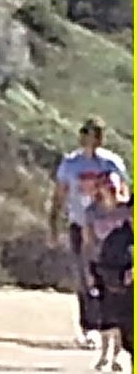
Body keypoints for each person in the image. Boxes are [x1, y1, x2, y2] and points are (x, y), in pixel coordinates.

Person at [49, 117, 130, 349]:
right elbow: (60, 195)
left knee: (111, 279)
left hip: (111, 229)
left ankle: (111, 329)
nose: (94, 140)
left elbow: (124, 192)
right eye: (91, 134)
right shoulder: (71, 164)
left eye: (98, 135)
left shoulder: (112, 163)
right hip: (80, 223)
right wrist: (54, 222)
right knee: (85, 277)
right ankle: (89, 327)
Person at [82, 172, 133, 374]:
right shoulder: (92, 213)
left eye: (113, 185)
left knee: (126, 319)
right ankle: (105, 354)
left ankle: (119, 356)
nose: (110, 189)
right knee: (108, 316)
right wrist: (89, 270)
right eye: (106, 186)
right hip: (103, 266)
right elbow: (88, 243)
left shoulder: (127, 209)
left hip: (126, 268)